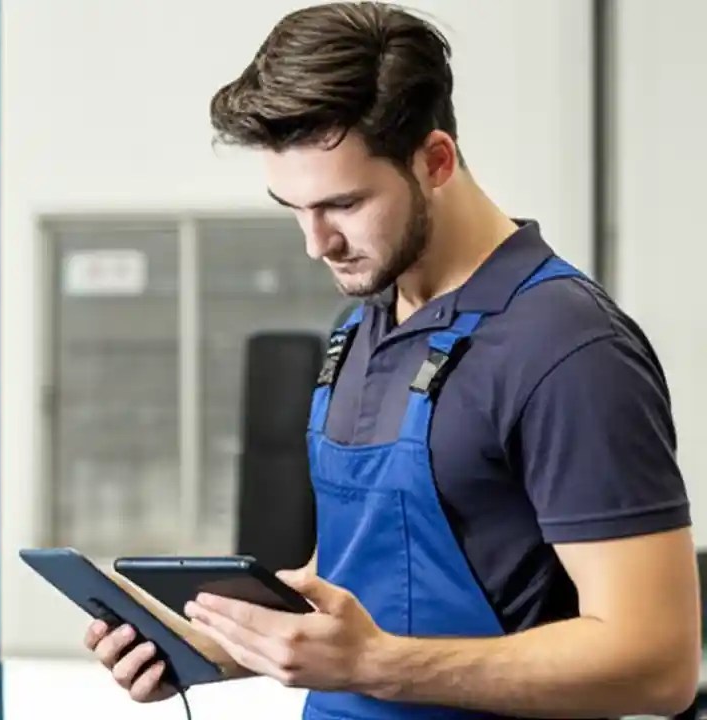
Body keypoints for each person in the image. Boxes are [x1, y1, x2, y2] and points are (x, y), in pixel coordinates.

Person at [83, 3, 702, 719]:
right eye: (294, 207)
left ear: (435, 160)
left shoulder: (567, 350)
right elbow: (355, 582)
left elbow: (657, 663)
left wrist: (375, 664)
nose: (317, 243)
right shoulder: (362, 326)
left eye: (343, 204)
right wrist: (202, 644)